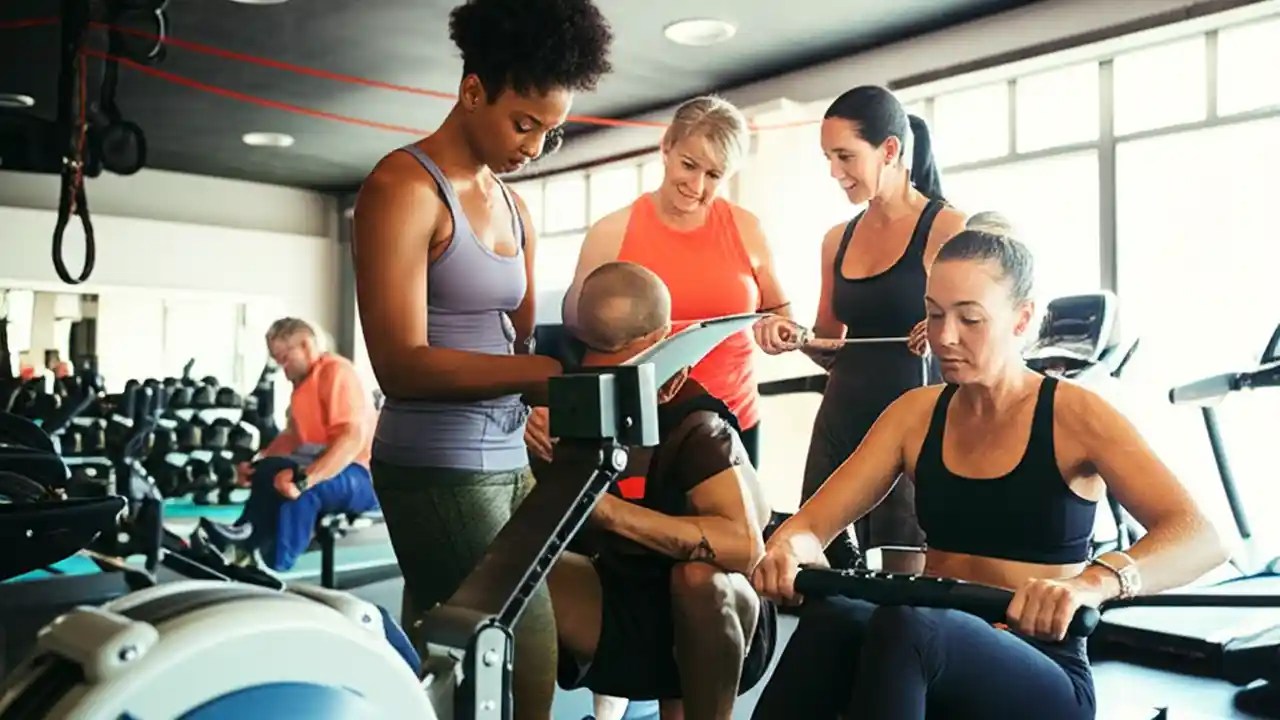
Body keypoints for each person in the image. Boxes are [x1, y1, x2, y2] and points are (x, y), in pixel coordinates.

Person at [749, 231, 1229, 720]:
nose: (945, 336)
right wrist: (788, 548)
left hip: (1041, 668)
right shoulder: (914, 415)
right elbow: (811, 526)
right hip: (926, 643)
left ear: (1021, 319)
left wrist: (1091, 584)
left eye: (970, 318)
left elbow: (1201, 538)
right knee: (838, 616)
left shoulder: (1074, 415)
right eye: (934, 314)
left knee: (910, 627)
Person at [349, 1, 614, 717]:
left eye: (549, 133)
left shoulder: (512, 205)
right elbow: (400, 365)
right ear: (473, 91)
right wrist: (547, 379)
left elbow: (520, 344)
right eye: (523, 123)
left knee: (473, 663)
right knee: (519, 670)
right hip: (437, 463)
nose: (533, 145)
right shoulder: (402, 187)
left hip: (508, 458)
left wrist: (585, 360)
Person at [548, 262, 776, 720]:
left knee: (696, 580)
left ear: (659, 346)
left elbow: (744, 546)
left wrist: (609, 513)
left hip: (718, 617)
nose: (608, 378)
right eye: (597, 360)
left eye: (627, 362)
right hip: (623, 600)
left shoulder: (701, 427)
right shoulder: (573, 398)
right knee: (527, 579)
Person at [543, 95, 796, 473]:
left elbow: (778, 309)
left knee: (735, 531)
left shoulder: (746, 228)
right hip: (640, 424)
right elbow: (578, 329)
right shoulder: (612, 232)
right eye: (689, 165)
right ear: (667, 148)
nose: (696, 185)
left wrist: (779, 328)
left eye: (713, 176)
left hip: (733, 419)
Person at [789, 85, 967, 570]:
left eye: (845, 155)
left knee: (901, 575)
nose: (834, 171)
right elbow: (829, 339)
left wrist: (936, 326)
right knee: (812, 548)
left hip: (912, 414)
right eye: (828, 157)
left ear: (890, 150)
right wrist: (793, 336)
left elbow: (975, 329)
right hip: (843, 410)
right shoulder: (836, 239)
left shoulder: (948, 229)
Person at [201, 318, 379, 572]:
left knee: (296, 487)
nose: (282, 367)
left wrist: (305, 479)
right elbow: (292, 437)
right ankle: (245, 539)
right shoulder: (302, 387)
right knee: (270, 470)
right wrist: (255, 467)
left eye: (285, 357)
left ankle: (275, 565)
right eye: (277, 360)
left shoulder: (336, 372)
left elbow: (351, 438)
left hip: (363, 475)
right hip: (335, 467)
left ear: (306, 346)